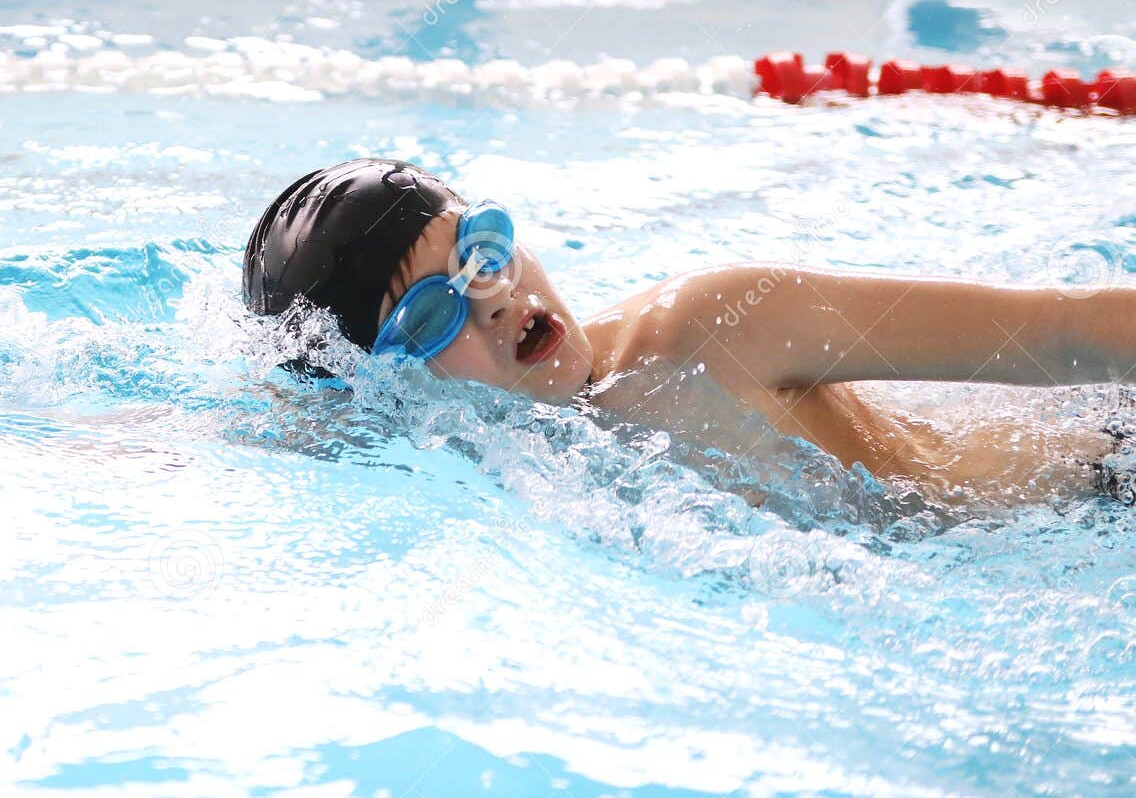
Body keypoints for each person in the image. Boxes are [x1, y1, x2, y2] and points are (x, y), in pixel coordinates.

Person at [241, 158, 1134, 506]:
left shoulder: (706, 332)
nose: (497, 300)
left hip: (1105, 482)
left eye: (484, 251)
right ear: (383, 382)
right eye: (434, 316)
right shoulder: (480, 459)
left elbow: (1062, 329)